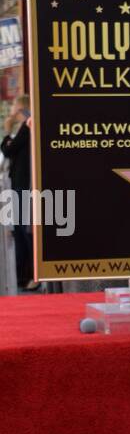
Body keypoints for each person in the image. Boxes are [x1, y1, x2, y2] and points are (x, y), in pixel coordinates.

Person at [1, 97, 35, 291]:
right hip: (19, 184)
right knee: (20, 231)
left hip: (24, 185)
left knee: (24, 231)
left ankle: (31, 275)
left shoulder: (26, 127)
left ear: (20, 107)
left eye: (13, 105)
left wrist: (6, 130)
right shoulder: (24, 127)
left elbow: (8, 150)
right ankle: (23, 276)